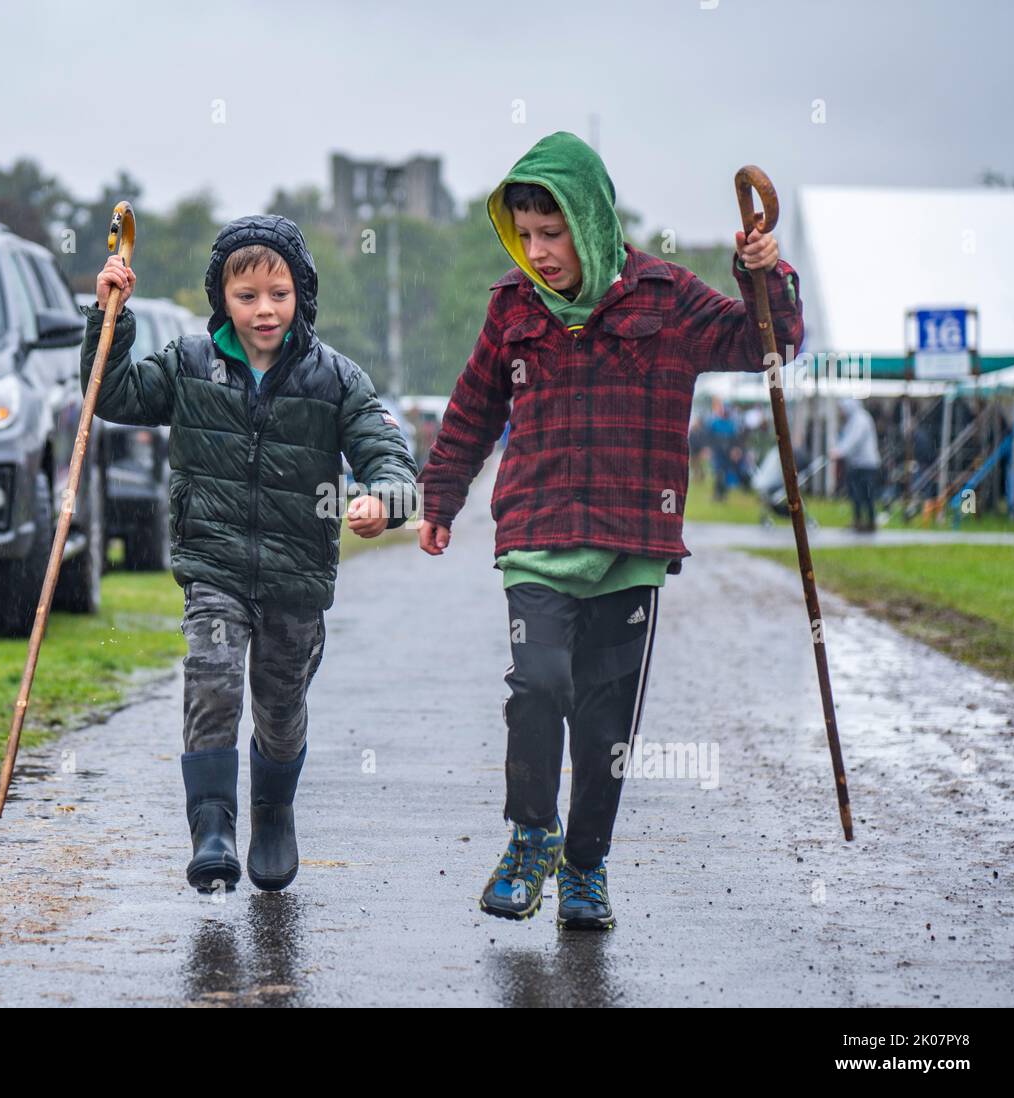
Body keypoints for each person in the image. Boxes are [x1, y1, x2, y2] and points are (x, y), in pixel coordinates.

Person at [416, 131, 804, 931]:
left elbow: (767, 340)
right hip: (537, 536)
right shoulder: (512, 308)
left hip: (632, 546)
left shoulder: (666, 298)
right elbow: (471, 411)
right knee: (538, 688)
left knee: (604, 730)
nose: (539, 252)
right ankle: (531, 836)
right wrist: (439, 502)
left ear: (591, 222)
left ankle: (585, 868)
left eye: (551, 234)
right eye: (524, 236)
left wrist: (768, 276)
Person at [80, 215, 418, 893]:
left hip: (298, 577)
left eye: (279, 294)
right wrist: (107, 317)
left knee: (280, 704)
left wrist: (384, 500)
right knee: (212, 675)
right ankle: (211, 825)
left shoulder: (336, 379)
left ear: (302, 296)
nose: (264, 310)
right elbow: (113, 396)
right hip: (214, 565)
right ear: (221, 300)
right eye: (246, 296)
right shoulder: (188, 364)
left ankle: (273, 810)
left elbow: (390, 460)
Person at [829, 397, 881, 532]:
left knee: (867, 494)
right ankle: (858, 520)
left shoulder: (861, 419)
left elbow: (854, 440)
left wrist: (839, 452)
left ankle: (870, 522)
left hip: (866, 464)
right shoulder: (852, 420)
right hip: (856, 464)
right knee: (856, 494)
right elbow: (846, 439)